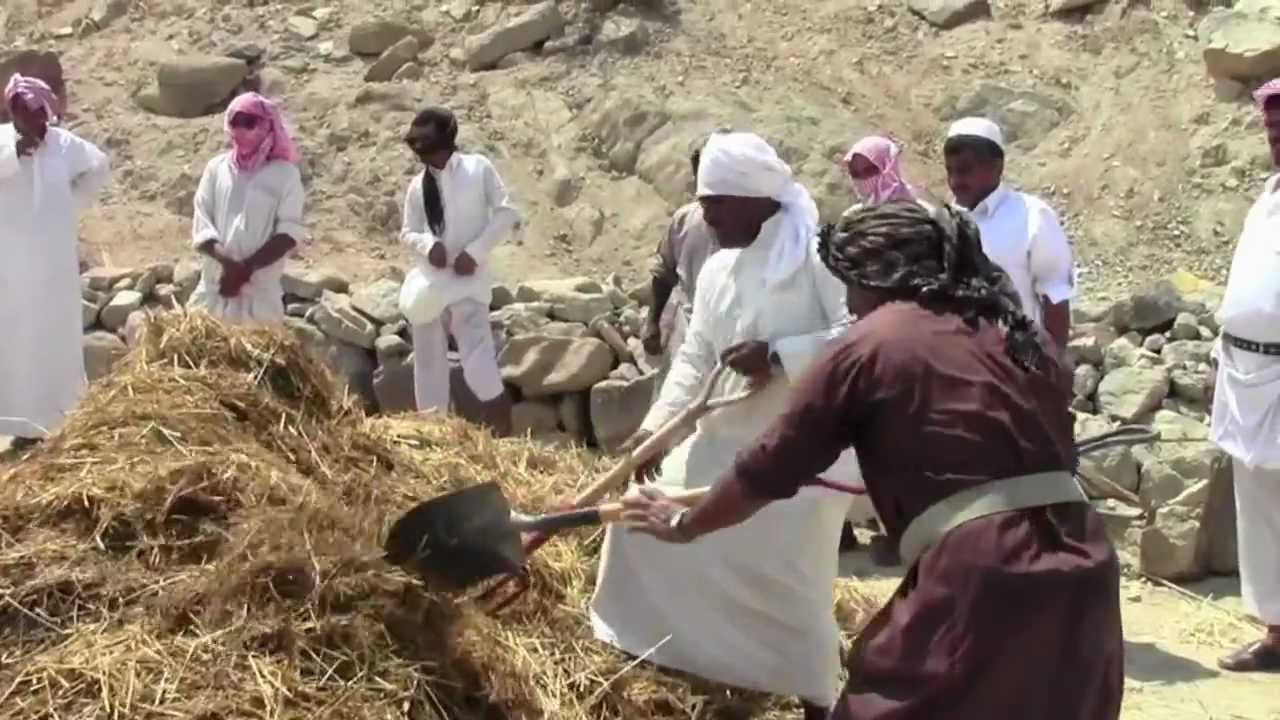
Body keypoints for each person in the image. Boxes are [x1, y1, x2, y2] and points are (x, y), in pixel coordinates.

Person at [623, 201, 1125, 719]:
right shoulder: (1021, 333)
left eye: (850, 284)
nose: (849, 302)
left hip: (983, 569)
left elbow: (769, 466)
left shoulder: (871, 344)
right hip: (1085, 563)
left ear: (878, 276)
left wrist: (684, 524)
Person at [590, 131, 864, 720]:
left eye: (714, 202)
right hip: (720, 445)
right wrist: (654, 431)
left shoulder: (820, 257)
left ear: (755, 197)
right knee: (638, 524)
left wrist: (780, 356)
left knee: (786, 583)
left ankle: (817, 699)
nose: (706, 217)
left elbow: (862, 336)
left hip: (802, 457)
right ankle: (681, 669)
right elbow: (695, 360)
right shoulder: (717, 270)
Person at [1207, 78, 1280, 673]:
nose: (1276, 139)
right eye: (1271, 130)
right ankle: (1276, 633)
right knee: (1257, 509)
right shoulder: (1267, 196)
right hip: (1245, 371)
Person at [0, 74, 110, 451]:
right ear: (12, 111)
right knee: (14, 339)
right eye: (25, 111)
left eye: (39, 111)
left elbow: (99, 166)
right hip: (10, 265)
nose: (34, 119)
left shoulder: (64, 145)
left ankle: (56, 420)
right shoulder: (2, 141)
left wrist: (70, 202)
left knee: (55, 338)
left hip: (54, 264)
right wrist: (15, 154)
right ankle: (16, 422)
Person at [400, 107, 519, 435]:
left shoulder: (478, 168)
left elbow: (506, 213)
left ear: (447, 140)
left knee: (480, 364)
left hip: (469, 282)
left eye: (427, 142)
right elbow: (408, 231)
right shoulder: (417, 186)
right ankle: (433, 437)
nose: (422, 151)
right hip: (431, 286)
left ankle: (504, 440)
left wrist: (475, 253)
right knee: (428, 364)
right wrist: (429, 246)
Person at [943, 117, 1075, 352]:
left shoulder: (1033, 216)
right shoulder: (944, 220)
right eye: (949, 171)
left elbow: (1055, 296)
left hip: (1018, 362)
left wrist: (1055, 365)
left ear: (997, 167)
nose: (955, 182)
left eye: (964, 171)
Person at [189, 92, 305, 325]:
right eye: (235, 123)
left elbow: (288, 234)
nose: (241, 130)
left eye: (249, 123)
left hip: (258, 300)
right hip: (214, 293)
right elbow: (202, 223)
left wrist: (245, 270)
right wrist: (228, 265)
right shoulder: (216, 169)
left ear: (267, 125)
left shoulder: (285, 175)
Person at [641, 142, 720, 361]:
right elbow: (663, 272)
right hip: (690, 332)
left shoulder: (756, 224)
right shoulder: (685, 220)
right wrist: (652, 321)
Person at [840, 135, 919, 215]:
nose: (861, 178)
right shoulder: (852, 216)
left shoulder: (919, 211)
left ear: (889, 167)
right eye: (854, 173)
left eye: (868, 170)